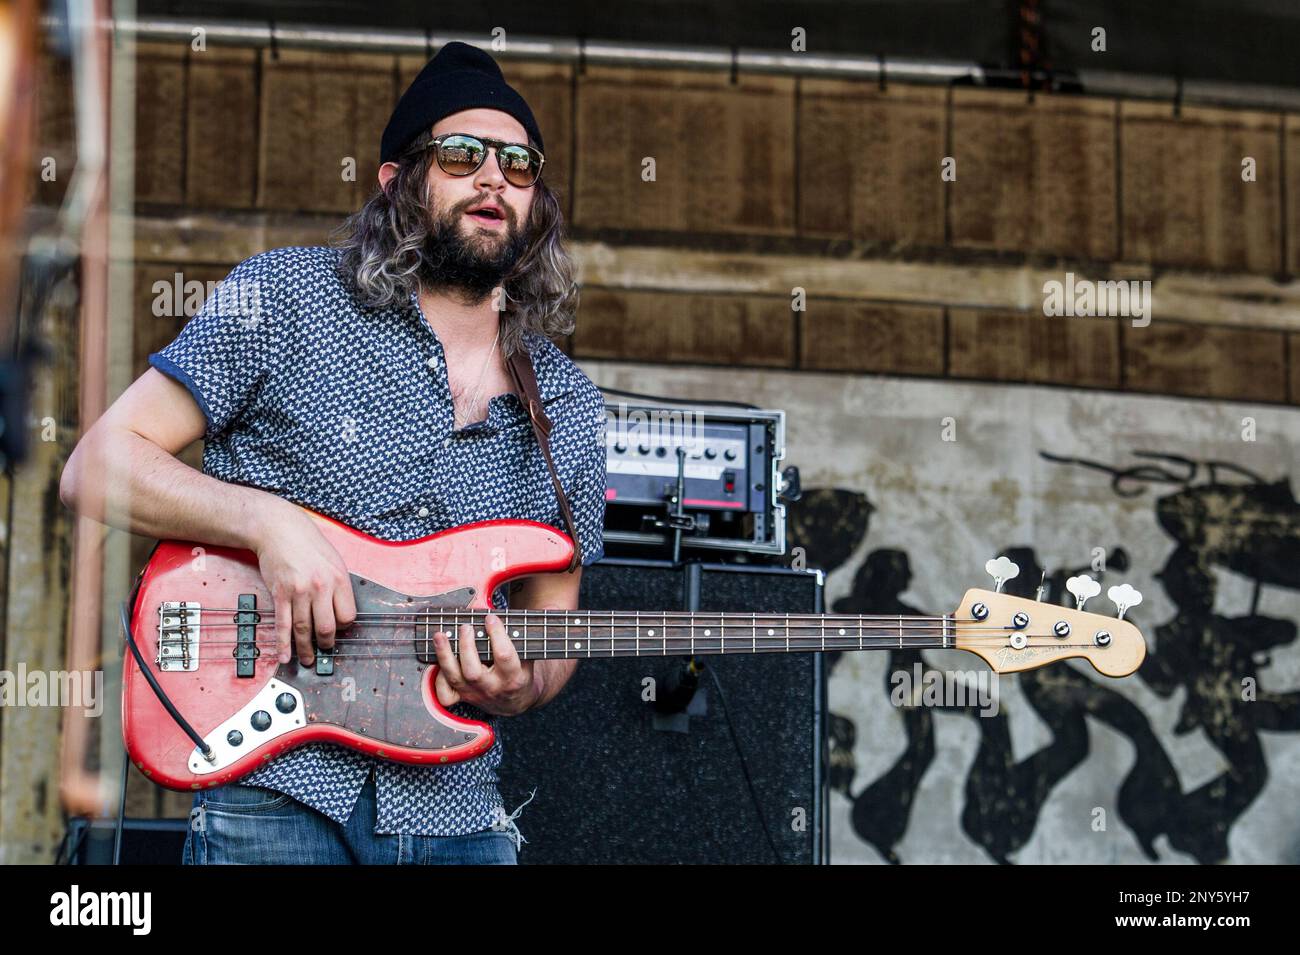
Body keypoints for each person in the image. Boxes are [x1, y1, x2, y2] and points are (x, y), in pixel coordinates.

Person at [58, 41, 607, 864]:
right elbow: (95, 465)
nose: (494, 178)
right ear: (398, 181)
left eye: (519, 164)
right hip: (276, 787)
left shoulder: (568, 401)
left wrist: (520, 683)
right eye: (463, 155)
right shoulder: (282, 296)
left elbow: (551, 625)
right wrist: (270, 525)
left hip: (458, 810)